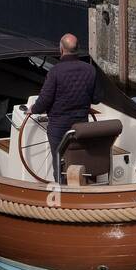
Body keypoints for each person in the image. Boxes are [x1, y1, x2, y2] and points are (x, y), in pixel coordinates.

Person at [30, 33, 102, 172]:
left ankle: (62, 188)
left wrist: (33, 109)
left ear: (61, 49)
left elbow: (44, 101)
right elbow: (97, 98)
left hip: (59, 127)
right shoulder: (90, 70)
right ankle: (80, 185)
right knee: (79, 159)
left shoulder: (55, 72)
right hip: (81, 125)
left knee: (60, 162)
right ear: (78, 49)